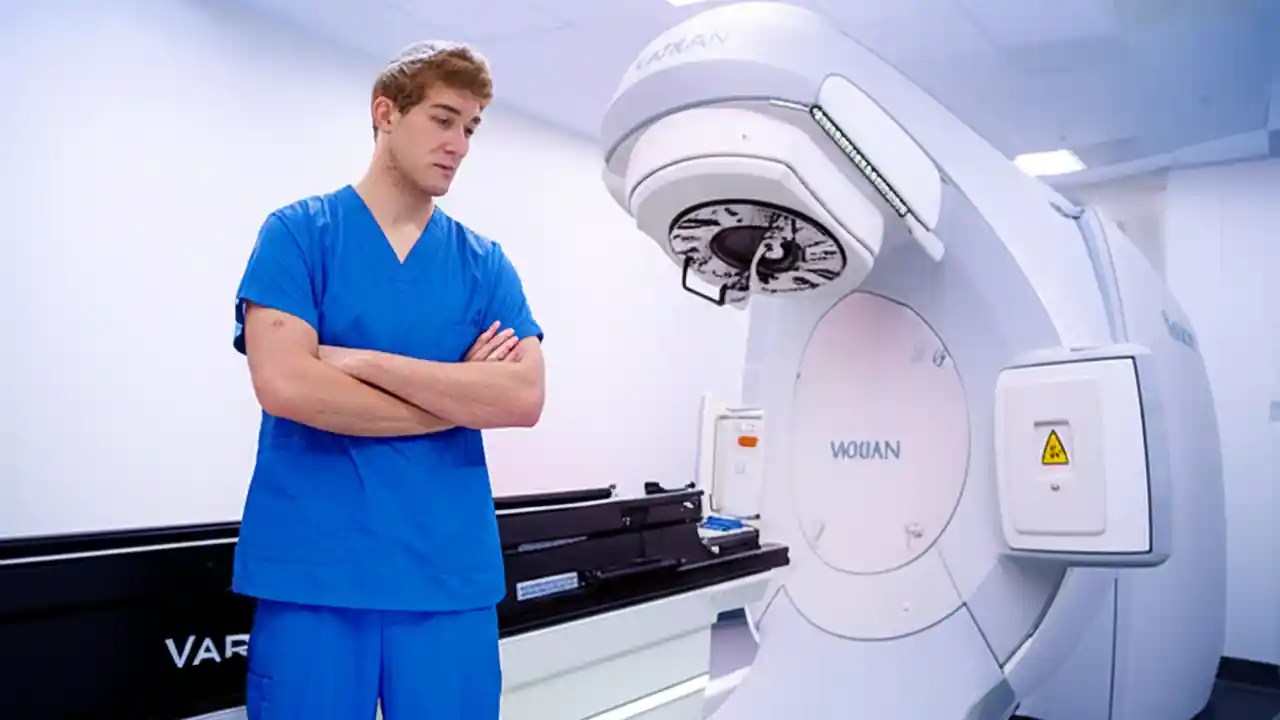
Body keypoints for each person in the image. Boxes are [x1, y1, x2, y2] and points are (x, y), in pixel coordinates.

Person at [230, 39, 544, 719]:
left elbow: (522, 397)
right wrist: (456, 395)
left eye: (471, 127)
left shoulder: (484, 265)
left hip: (446, 577)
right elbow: (288, 387)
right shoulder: (299, 236)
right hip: (315, 573)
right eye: (443, 118)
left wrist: (363, 363)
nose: (459, 143)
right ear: (386, 114)